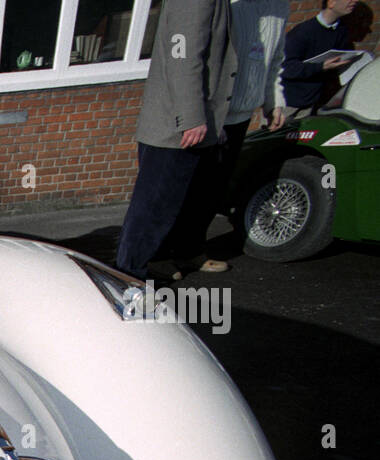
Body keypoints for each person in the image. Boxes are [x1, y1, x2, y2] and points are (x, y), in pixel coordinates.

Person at [164, 0, 290, 276]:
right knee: (184, 188)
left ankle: (190, 252)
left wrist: (273, 101)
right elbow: (200, 55)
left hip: (242, 114)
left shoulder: (280, 7)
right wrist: (200, 112)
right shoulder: (231, 4)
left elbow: (275, 58)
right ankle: (160, 255)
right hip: (212, 111)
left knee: (211, 191)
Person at [115, 0, 238, 282]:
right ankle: (128, 277)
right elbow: (182, 55)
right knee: (152, 210)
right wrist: (192, 116)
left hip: (191, 124)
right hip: (174, 128)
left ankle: (158, 261)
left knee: (179, 204)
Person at [281, 0, 358, 117]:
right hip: (288, 104)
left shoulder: (341, 32)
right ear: (331, 3)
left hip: (313, 104)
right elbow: (285, 68)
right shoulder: (303, 32)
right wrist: (321, 67)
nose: (354, 1)